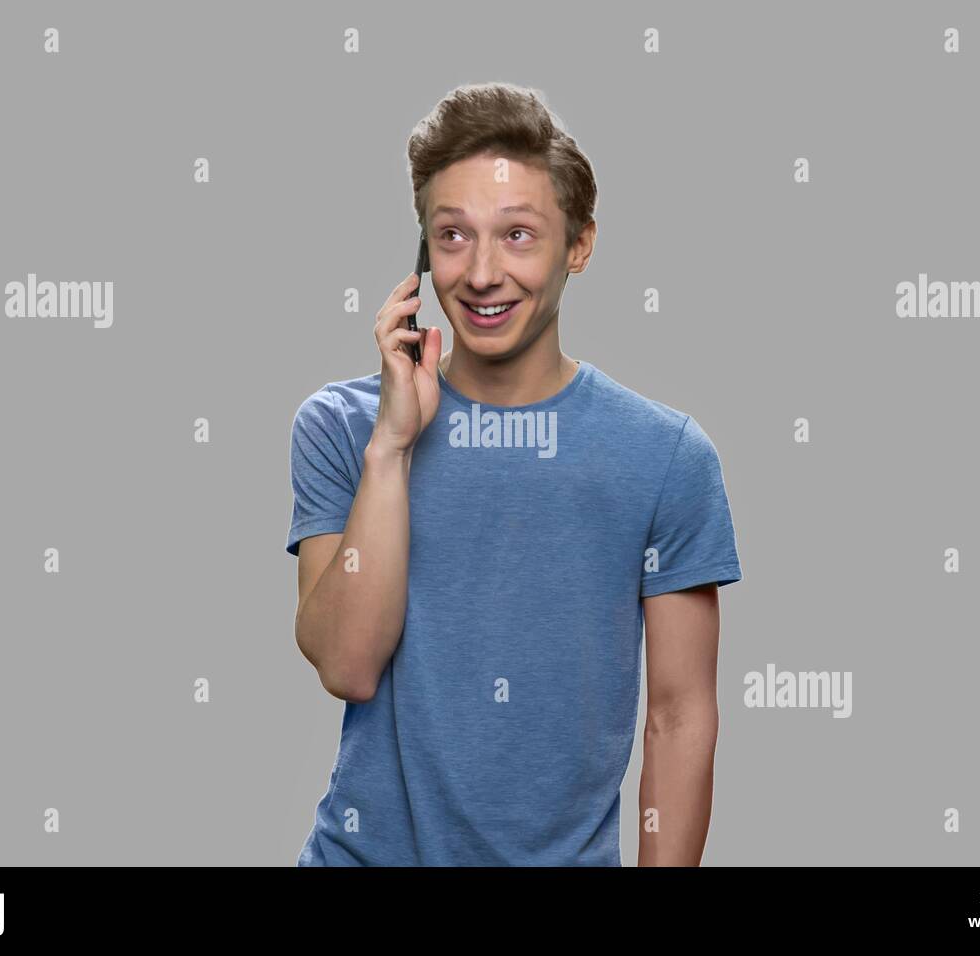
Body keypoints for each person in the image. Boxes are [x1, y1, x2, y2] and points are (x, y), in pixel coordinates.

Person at [287, 82, 742, 866]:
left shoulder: (667, 457)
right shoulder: (342, 427)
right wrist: (392, 447)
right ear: (423, 255)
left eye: (520, 235)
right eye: (453, 236)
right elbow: (348, 665)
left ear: (580, 244)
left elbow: (678, 718)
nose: (483, 273)